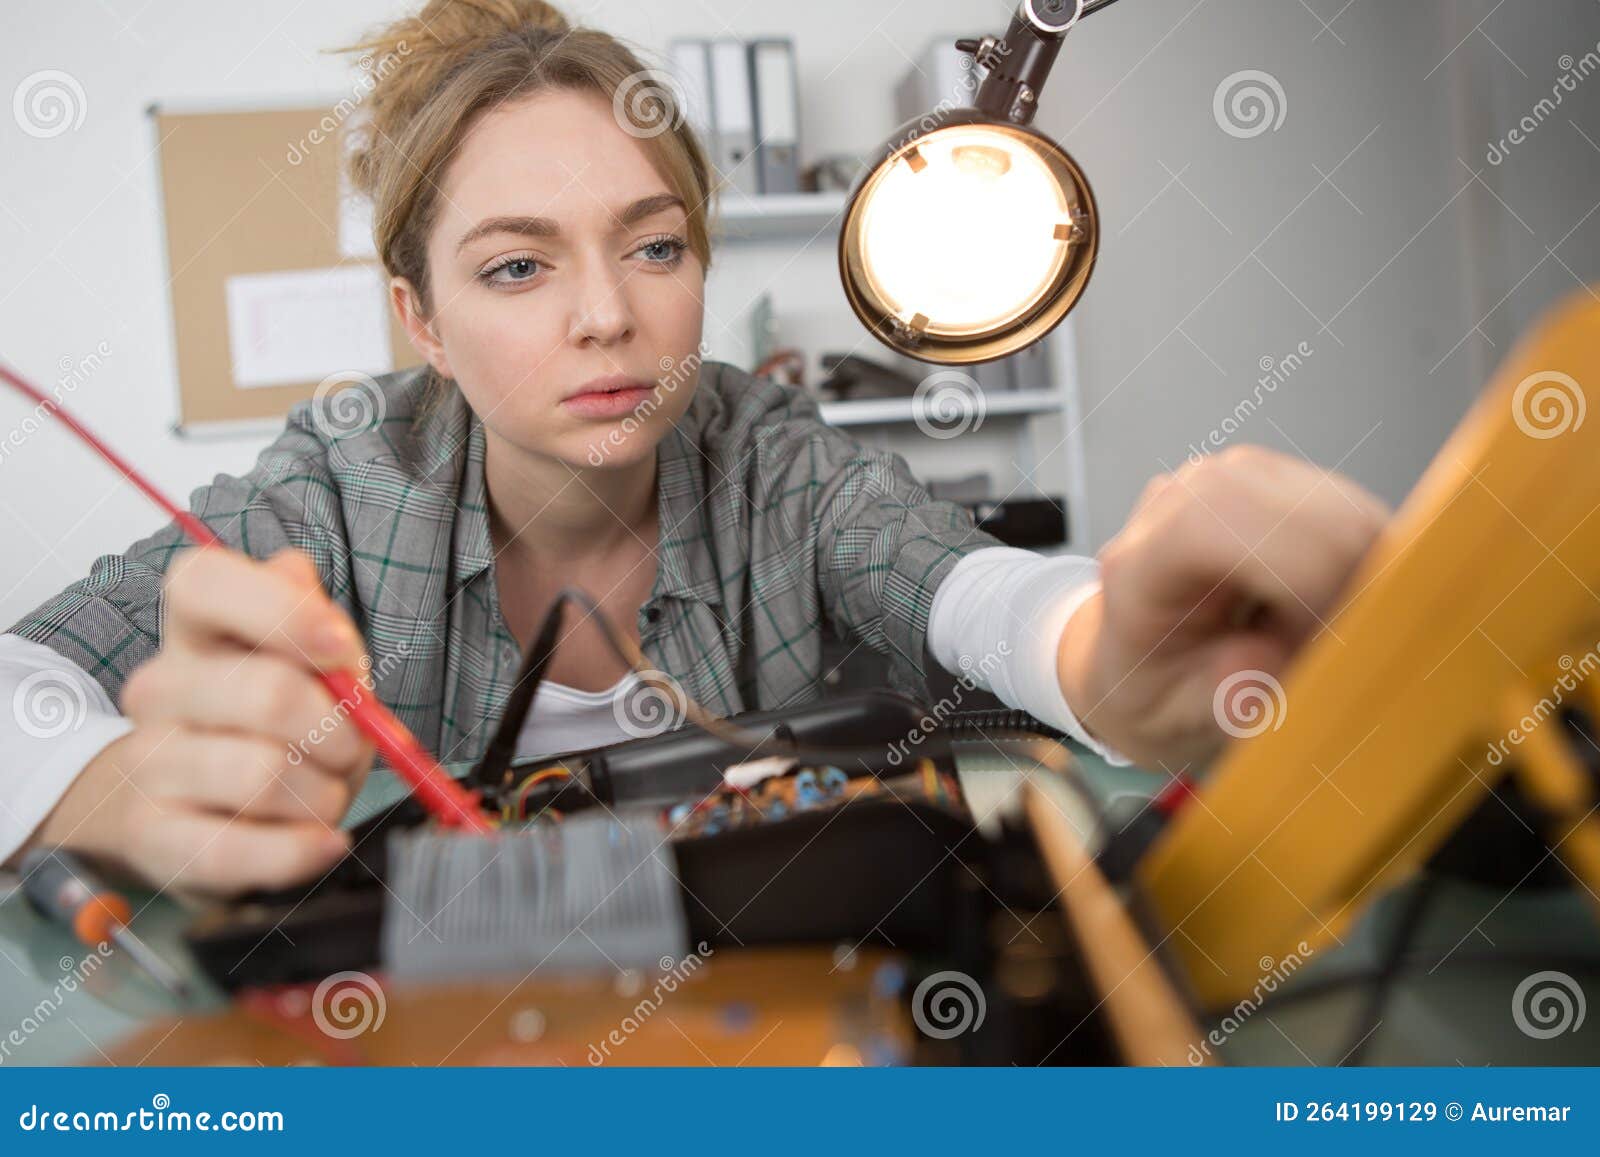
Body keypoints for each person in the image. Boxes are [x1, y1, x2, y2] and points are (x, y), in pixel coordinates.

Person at [0, 0, 1387, 895]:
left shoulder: (770, 451)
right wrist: (94, 780)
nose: (609, 316)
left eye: (654, 246)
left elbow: (962, 585)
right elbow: (23, 674)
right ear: (420, 318)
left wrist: (1105, 650)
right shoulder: (338, 478)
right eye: (517, 269)